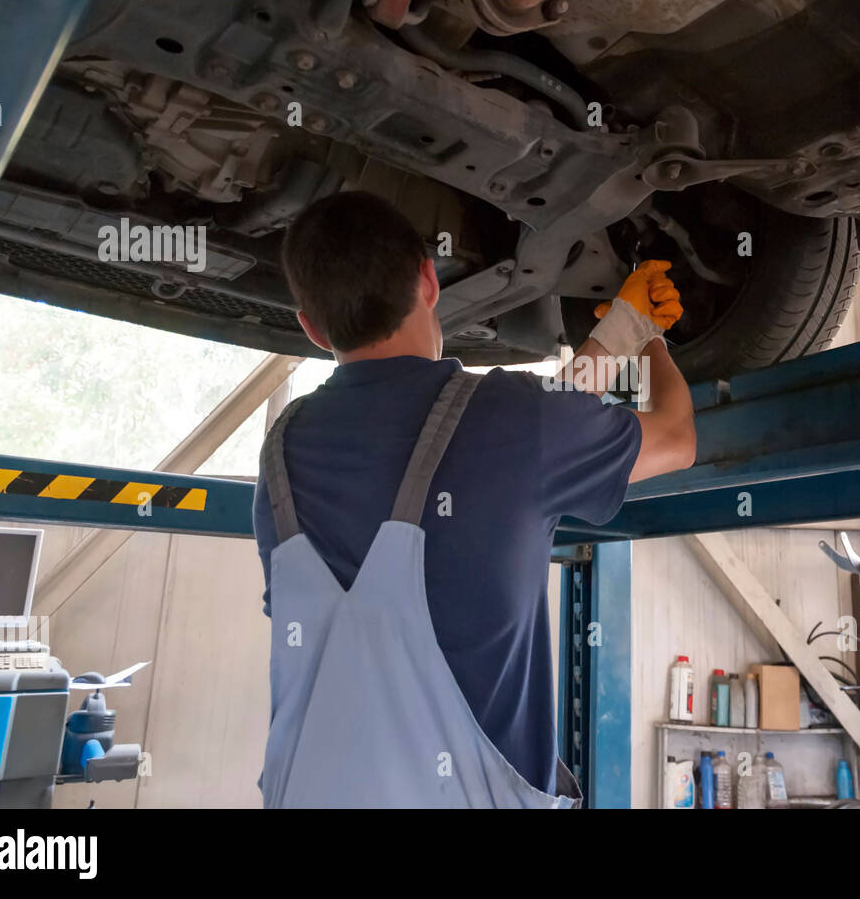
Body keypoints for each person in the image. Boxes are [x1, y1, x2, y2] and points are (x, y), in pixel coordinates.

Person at [254, 191, 696, 807]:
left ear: (310, 326)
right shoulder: (512, 422)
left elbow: (520, 448)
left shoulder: (282, 452)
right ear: (429, 279)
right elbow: (674, 438)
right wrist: (649, 340)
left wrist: (620, 331)